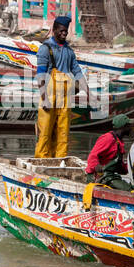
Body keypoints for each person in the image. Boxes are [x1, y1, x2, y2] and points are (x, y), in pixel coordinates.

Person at [34, 15, 88, 159]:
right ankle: (42, 160)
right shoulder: (45, 49)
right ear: (54, 30)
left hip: (65, 98)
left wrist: (87, 91)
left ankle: (60, 161)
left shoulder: (69, 51)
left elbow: (77, 71)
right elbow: (40, 75)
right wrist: (44, 98)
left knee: (63, 133)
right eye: (62, 31)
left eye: (66, 31)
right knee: (45, 132)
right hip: (49, 96)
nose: (64, 34)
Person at [84, 115, 132, 187]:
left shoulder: (118, 142)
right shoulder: (108, 138)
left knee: (131, 187)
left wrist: (133, 168)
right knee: (128, 190)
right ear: (123, 127)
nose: (130, 128)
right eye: (129, 126)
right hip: (99, 177)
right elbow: (92, 157)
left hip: (109, 176)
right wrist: (98, 170)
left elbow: (120, 168)